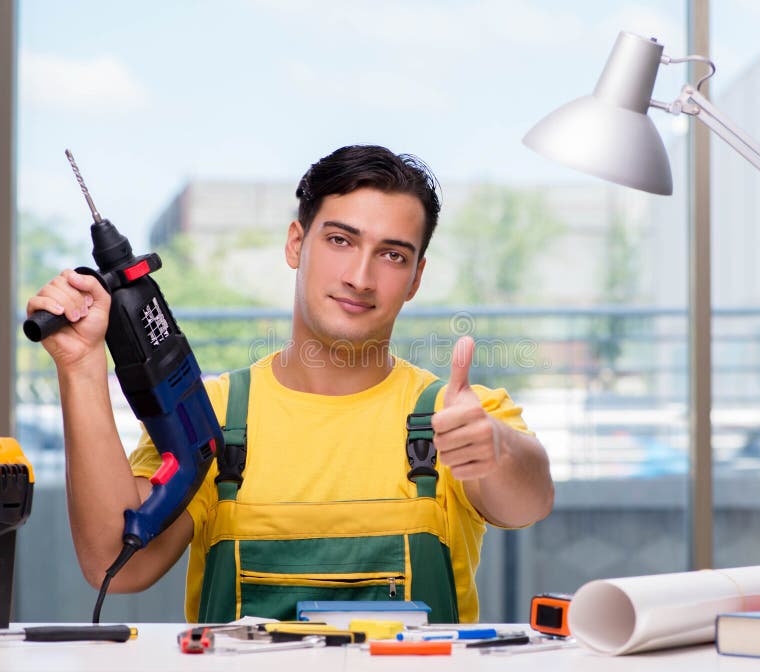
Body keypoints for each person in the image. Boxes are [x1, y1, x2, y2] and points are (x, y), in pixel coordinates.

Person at [26, 144, 553, 623]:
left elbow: (528, 502)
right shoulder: (212, 418)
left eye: (392, 254)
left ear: (416, 277)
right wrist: (80, 368)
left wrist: (494, 448)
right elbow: (114, 565)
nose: (361, 277)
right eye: (341, 240)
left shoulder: (458, 415)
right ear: (296, 243)